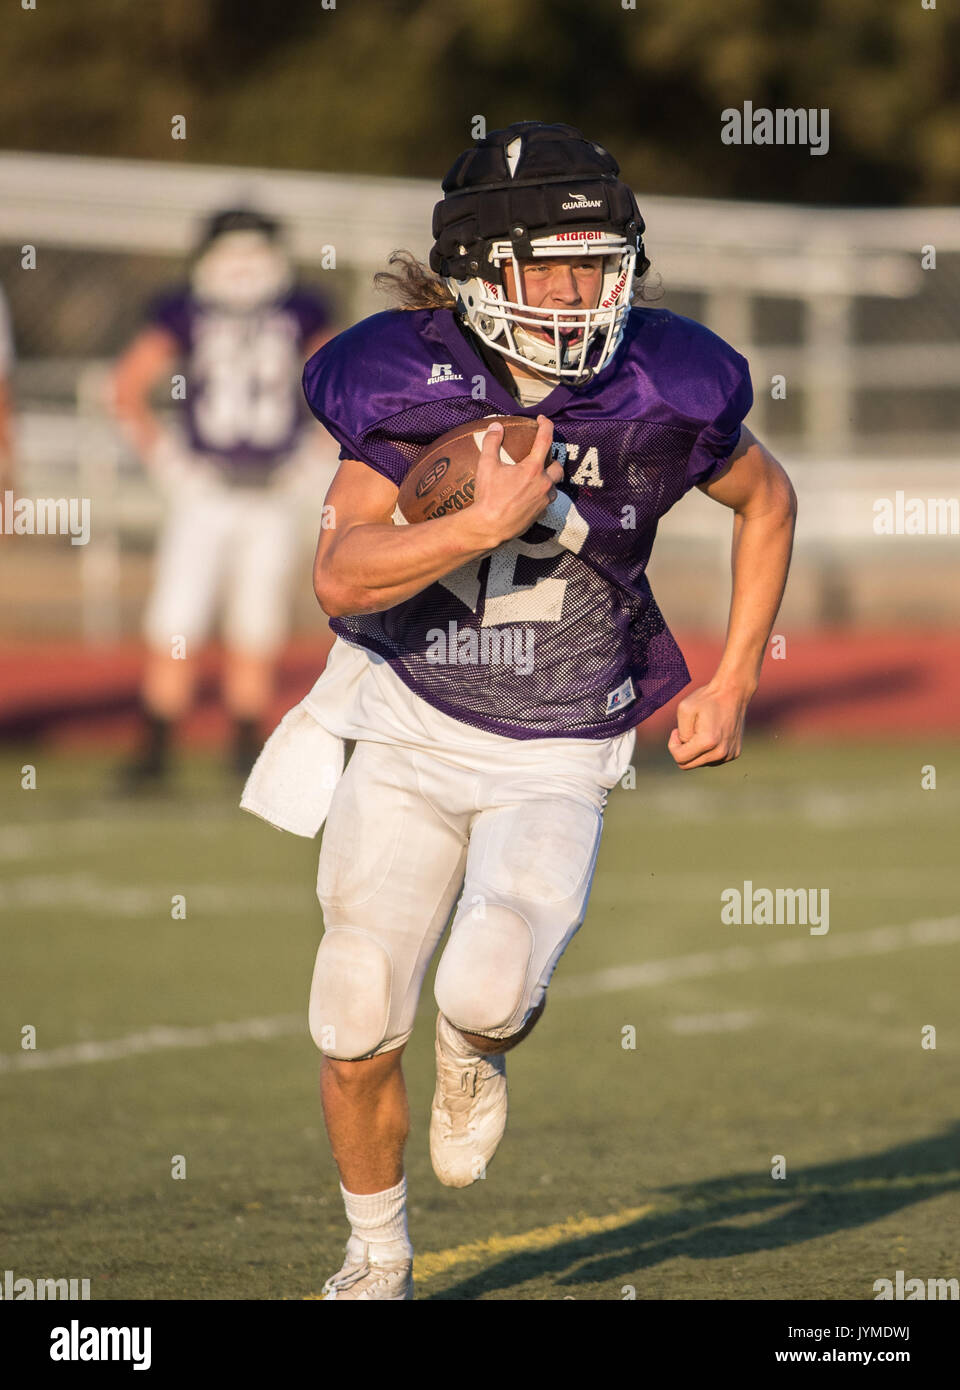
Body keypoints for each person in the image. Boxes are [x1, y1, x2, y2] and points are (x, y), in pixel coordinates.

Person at [242, 121, 797, 1300]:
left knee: (487, 986)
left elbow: (769, 499)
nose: (581, 290)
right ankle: (377, 1257)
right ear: (481, 270)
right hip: (408, 720)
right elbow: (343, 574)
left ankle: (472, 1055)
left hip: (562, 740)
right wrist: (473, 526)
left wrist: (738, 673)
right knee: (348, 1005)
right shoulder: (402, 377)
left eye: (600, 262)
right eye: (551, 264)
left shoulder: (667, 379)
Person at [111, 207, 333, 783]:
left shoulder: (299, 311)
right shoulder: (191, 311)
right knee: (179, 615)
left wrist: (311, 460)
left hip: (270, 490)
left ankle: (239, 749)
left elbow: (340, 387)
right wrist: (167, 459)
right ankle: (158, 750)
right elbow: (128, 386)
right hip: (207, 490)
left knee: (255, 619)